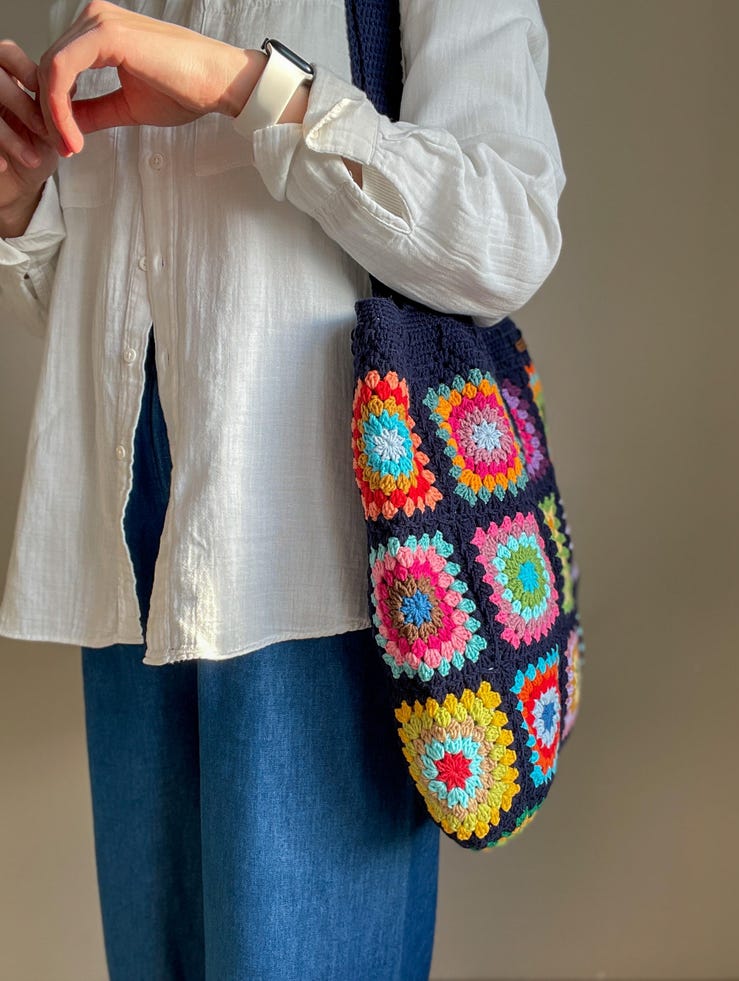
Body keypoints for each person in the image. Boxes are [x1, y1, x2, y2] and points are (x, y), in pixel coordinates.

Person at [0, 0, 567, 977]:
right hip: (128, 556)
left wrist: (246, 88)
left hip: (328, 560)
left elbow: (507, 233)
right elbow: (119, 307)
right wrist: (20, 208)